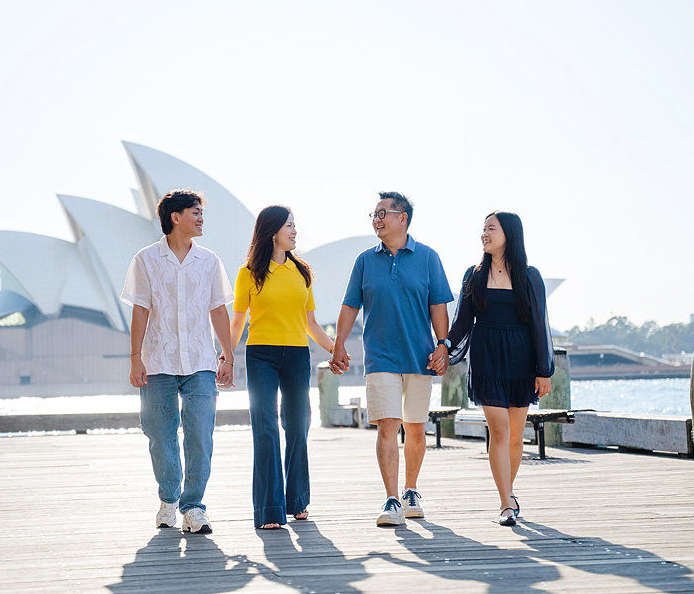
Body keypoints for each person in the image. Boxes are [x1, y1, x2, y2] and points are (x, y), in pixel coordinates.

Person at [330, 192, 453, 527]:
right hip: (380, 357)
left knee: (415, 428)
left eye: (383, 212)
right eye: (374, 213)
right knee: (388, 425)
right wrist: (339, 344)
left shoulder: (428, 257)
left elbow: (438, 306)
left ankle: (411, 489)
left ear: (403, 218)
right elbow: (350, 306)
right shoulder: (364, 261)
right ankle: (392, 498)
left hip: (420, 357)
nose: (377, 218)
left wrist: (443, 345)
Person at [120, 189, 235, 534]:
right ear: (175, 217)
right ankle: (168, 500)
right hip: (157, 361)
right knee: (160, 434)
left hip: (200, 360)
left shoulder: (209, 261)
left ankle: (194, 506)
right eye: (195, 212)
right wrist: (135, 358)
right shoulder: (146, 259)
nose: (201, 218)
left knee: (201, 433)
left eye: (202, 212)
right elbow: (141, 309)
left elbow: (218, 309)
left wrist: (228, 355)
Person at [442, 211, 554, 526]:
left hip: (521, 359)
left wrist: (543, 370)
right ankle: (506, 503)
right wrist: (444, 347)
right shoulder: (473, 275)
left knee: (517, 437)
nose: (484, 234)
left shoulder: (529, 276)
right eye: (483, 229)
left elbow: (539, 325)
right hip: (487, 357)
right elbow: (462, 322)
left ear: (510, 234)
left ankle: (509, 490)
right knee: (500, 431)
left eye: (491, 229)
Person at [229, 205, 336, 530]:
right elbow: (236, 322)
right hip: (260, 354)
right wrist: (224, 355)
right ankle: (269, 510)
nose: (294, 231)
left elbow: (312, 323)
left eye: (294, 225)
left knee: (298, 427)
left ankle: (297, 501)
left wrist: (336, 349)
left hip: (296, 356)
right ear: (272, 230)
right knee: (265, 428)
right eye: (289, 225)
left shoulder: (302, 271)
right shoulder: (248, 273)